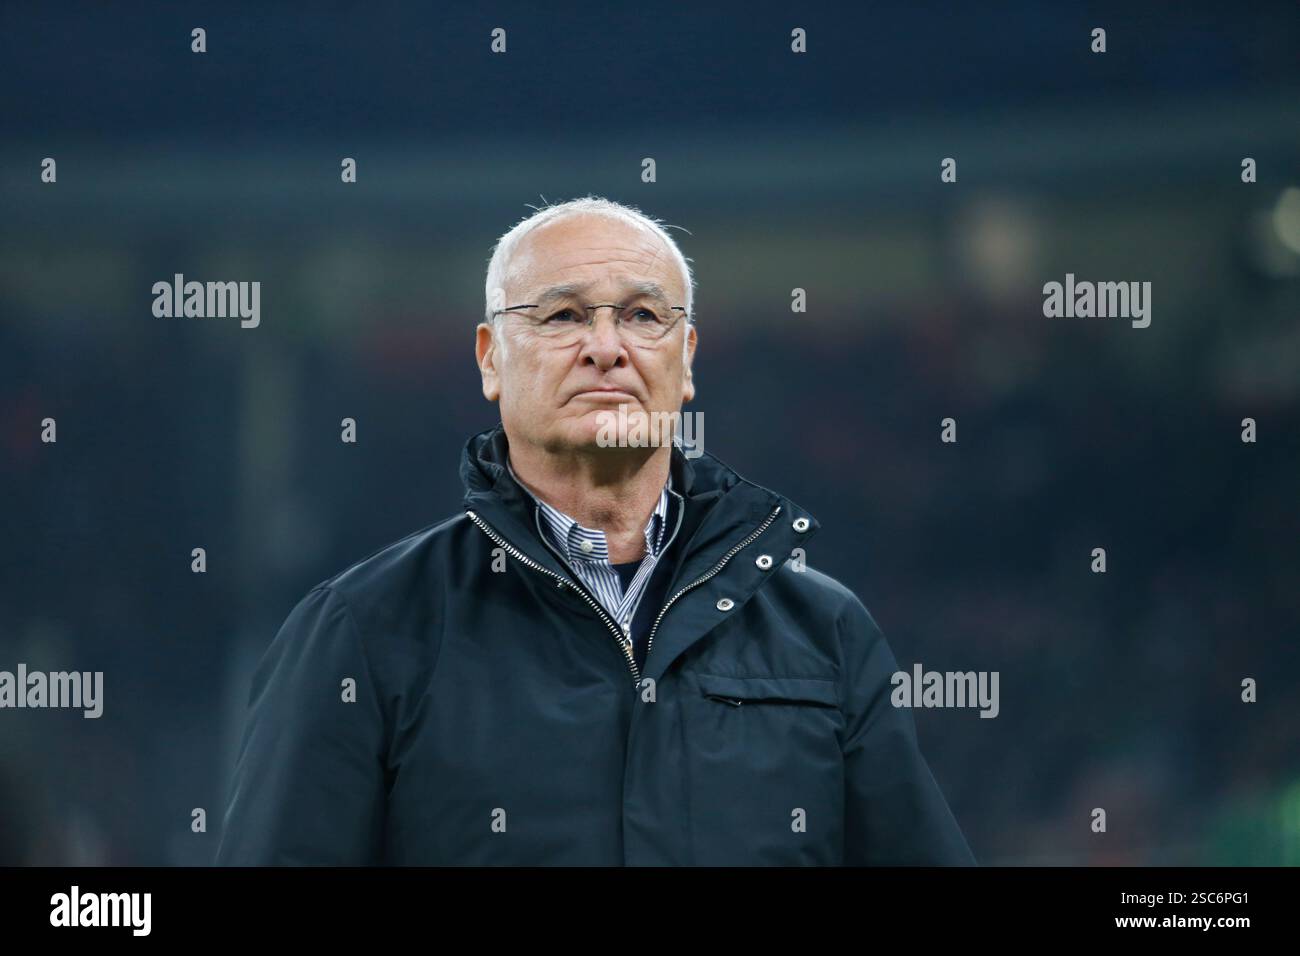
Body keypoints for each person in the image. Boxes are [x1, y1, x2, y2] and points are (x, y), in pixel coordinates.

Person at [215, 196, 975, 866]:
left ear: (685, 364)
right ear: (490, 360)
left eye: (643, 316)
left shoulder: (824, 631)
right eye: (563, 315)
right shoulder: (365, 629)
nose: (606, 346)